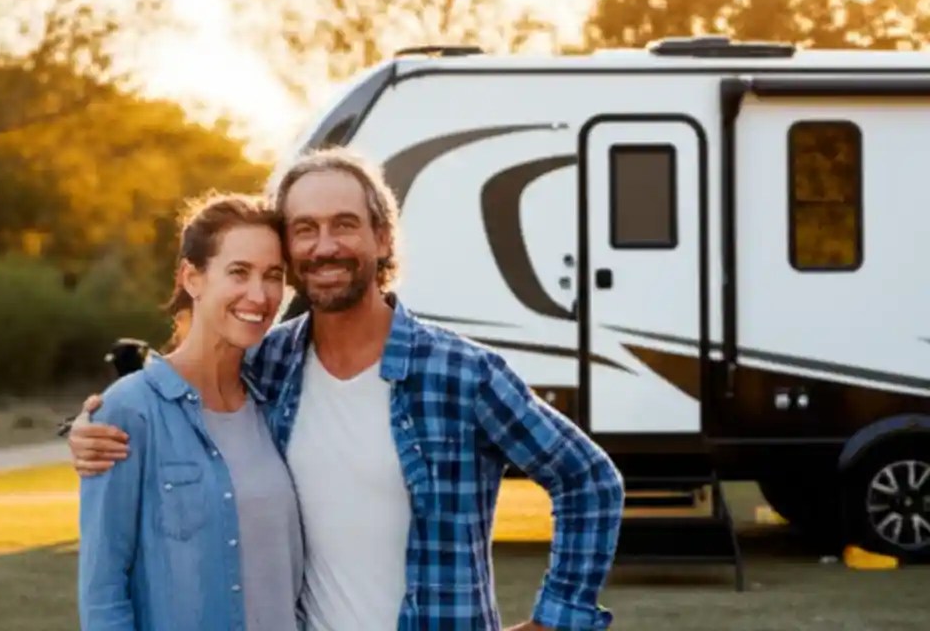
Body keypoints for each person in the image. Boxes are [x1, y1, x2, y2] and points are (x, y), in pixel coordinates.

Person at [71, 147, 626, 631]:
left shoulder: (462, 373)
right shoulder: (269, 366)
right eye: (305, 229)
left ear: (382, 238)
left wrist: (557, 619)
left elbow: (590, 479)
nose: (325, 245)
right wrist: (91, 427)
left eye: (344, 224)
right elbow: (188, 393)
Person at [76, 191, 304, 631]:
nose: (259, 295)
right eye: (239, 272)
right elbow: (102, 595)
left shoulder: (276, 405)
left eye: (273, 275)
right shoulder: (129, 411)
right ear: (192, 278)